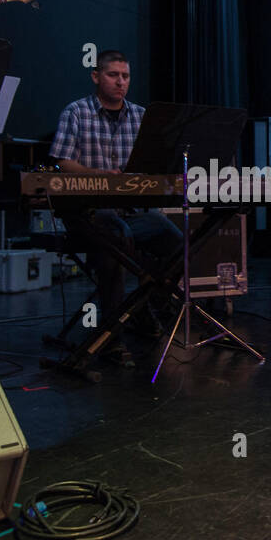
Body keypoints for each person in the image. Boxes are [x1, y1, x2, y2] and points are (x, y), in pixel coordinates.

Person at [49, 50, 181, 364]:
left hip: (131, 210)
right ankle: (111, 339)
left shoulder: (141, 116)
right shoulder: (76, 112)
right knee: (115, 240)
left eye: (125, 76)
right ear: (96, 76)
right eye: (113, 75)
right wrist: (98, 175)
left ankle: (142, 306)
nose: (121, 82)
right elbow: (62, 162)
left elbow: (156, 165)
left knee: (175, 241)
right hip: (89, 213)